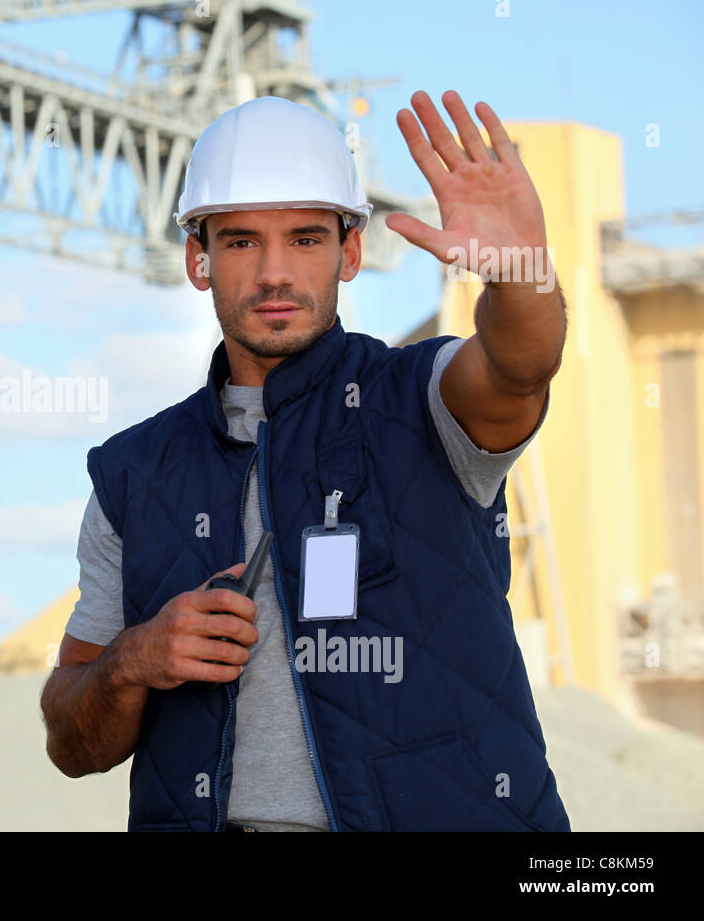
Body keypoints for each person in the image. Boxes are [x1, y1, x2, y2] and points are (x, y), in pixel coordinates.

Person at [38, 91, 570, 832]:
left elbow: (520, 369)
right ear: (199, 258)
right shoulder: (134, 475)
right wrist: (133, 659)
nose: (275, 273)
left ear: (351, 253)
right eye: (242, 241)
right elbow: (72, 744)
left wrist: (522, 272)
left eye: (307, 240)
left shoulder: (422, 401)